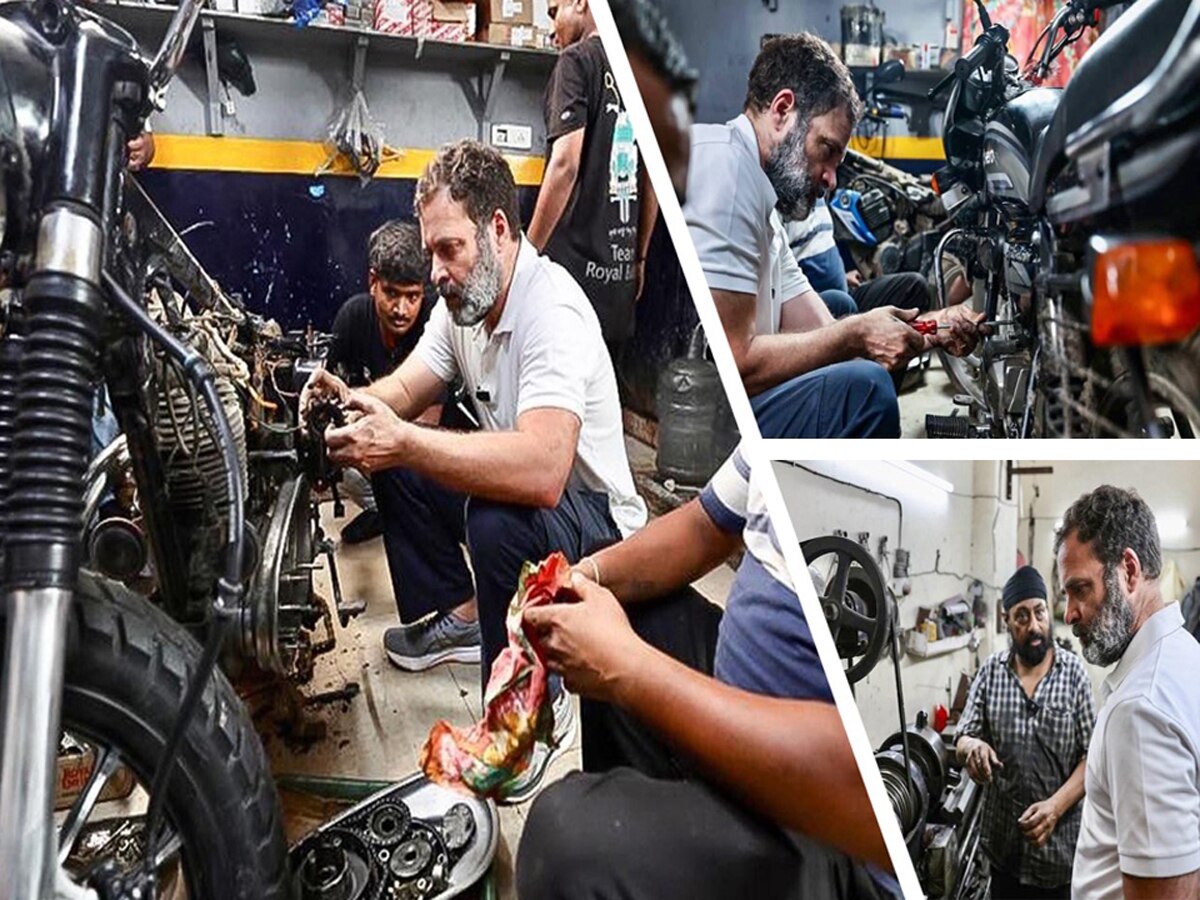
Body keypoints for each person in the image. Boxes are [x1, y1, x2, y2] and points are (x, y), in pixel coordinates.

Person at [302, 139, 647, 797]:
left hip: (601, 530)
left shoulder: (553, 312)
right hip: (539, 508)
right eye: (431, 252)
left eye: (447, 249)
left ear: (496, 229)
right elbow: (407, 390)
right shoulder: (463, 306)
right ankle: (460, 617)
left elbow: (545, 471)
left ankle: (530, 716)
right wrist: (349, 403)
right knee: (398, 457)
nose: (435, 271)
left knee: (494, 515)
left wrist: (401, 439)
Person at [515, 445, 898, 899]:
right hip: (749, 708)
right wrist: (582, 578)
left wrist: (628, 668)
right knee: (621, 602)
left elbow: (863, 786)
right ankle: (663, 835)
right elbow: (705, 524)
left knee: (564, 845)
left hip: (835, 827)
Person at [682, 33, 983, 438]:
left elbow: (825, 330)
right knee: (864, 391)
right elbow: (736, 363)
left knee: (840, 308)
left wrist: (936, 328)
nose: (831, 179)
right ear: (783, 110)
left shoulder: (762, 200)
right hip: (712, 415)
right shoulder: (728, 176)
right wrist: (856, 334)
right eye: (826, 150)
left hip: (736, 391)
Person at [1055, 486, 1200, 900]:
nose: (1069, 614)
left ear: (1129, 571)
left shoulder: (1141, 710)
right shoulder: (1185, 655)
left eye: (1080, 589)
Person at [527, 0, 657, 357]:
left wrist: (527, 255)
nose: (552, 28)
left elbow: (565, 163)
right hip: (618, 283)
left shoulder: (576, 61)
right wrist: (638, 258)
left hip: (568, 285)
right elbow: (653, 181)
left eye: (554, 11)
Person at [955, 566, 1094, 899]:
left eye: (1039, 612)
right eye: (1021, 616)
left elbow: (1092, 758)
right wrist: (973, 746)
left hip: (1058, 856)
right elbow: (963, 736)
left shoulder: (1074, 674)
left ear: (1048, 611)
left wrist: (1055, 807)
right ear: (1007, 621)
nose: (1033, 625)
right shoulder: (991, 672)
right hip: (1004, 853)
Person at [323, 220, 434, 544]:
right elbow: (332, 396)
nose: (402, 309)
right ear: (373, 281)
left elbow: (430, 430)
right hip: (378, 453)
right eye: (391, 294)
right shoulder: (353, 317)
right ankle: (384, 514)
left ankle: (406, 515)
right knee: (345, 469)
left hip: (420, 454)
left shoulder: (434, 325)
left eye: (412, 297)